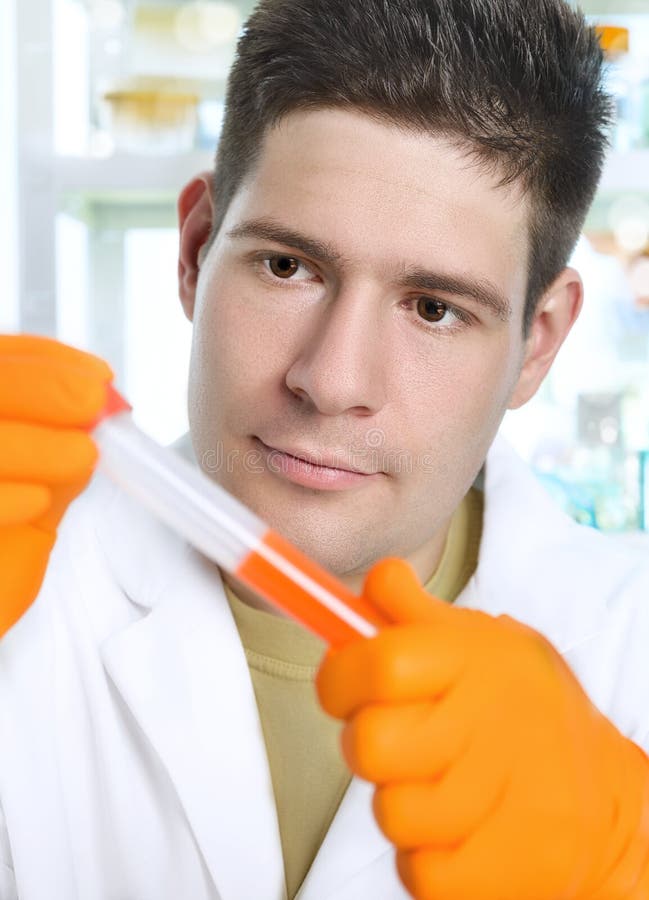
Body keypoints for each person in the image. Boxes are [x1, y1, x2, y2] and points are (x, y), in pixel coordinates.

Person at [2, 1, 649, 898]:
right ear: (194, 251)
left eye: (433, 308)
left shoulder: (631, 642)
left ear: (536, 342)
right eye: (287, 266)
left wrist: (626, 864)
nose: (331, 378)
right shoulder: (28, 609)